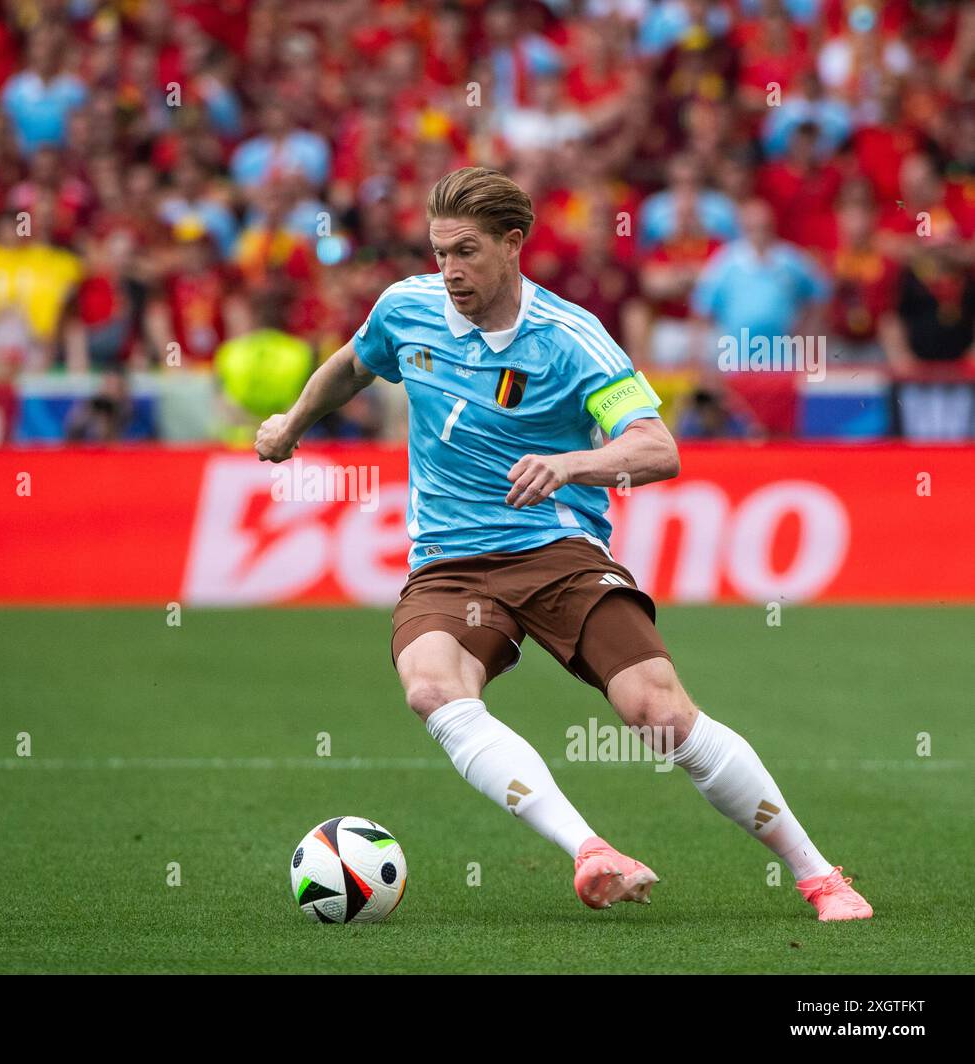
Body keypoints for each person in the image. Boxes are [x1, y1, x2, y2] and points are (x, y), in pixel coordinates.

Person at [254, 167, 872, 922]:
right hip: (449, 562)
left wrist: (574, 464)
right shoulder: (405, 309)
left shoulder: (572, 339)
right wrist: (292, 424)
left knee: (659, 713)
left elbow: (657, 449)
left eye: (468, 252)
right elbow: (354, 365)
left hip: (557, 551)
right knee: (430, 688)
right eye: (440, 250)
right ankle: (591, 850)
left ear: (514, 245)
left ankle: (818, 876)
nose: (449, 270)